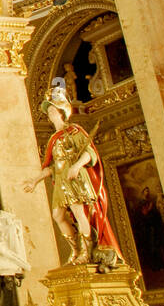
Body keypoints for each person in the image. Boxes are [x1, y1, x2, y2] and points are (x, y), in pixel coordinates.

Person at [23, 86, 122, 265]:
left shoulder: (74, 131)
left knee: (79, 212)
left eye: (53, 109)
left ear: (62, 112)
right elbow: (52, 167)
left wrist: (76, 166)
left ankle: (87, 252)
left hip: (75, 179)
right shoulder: (53, 139)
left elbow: (89, 153)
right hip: (61, 181)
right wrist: (35, 180)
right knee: (57, 216)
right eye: (49, 110)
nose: (50, 112)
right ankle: (75, 251)